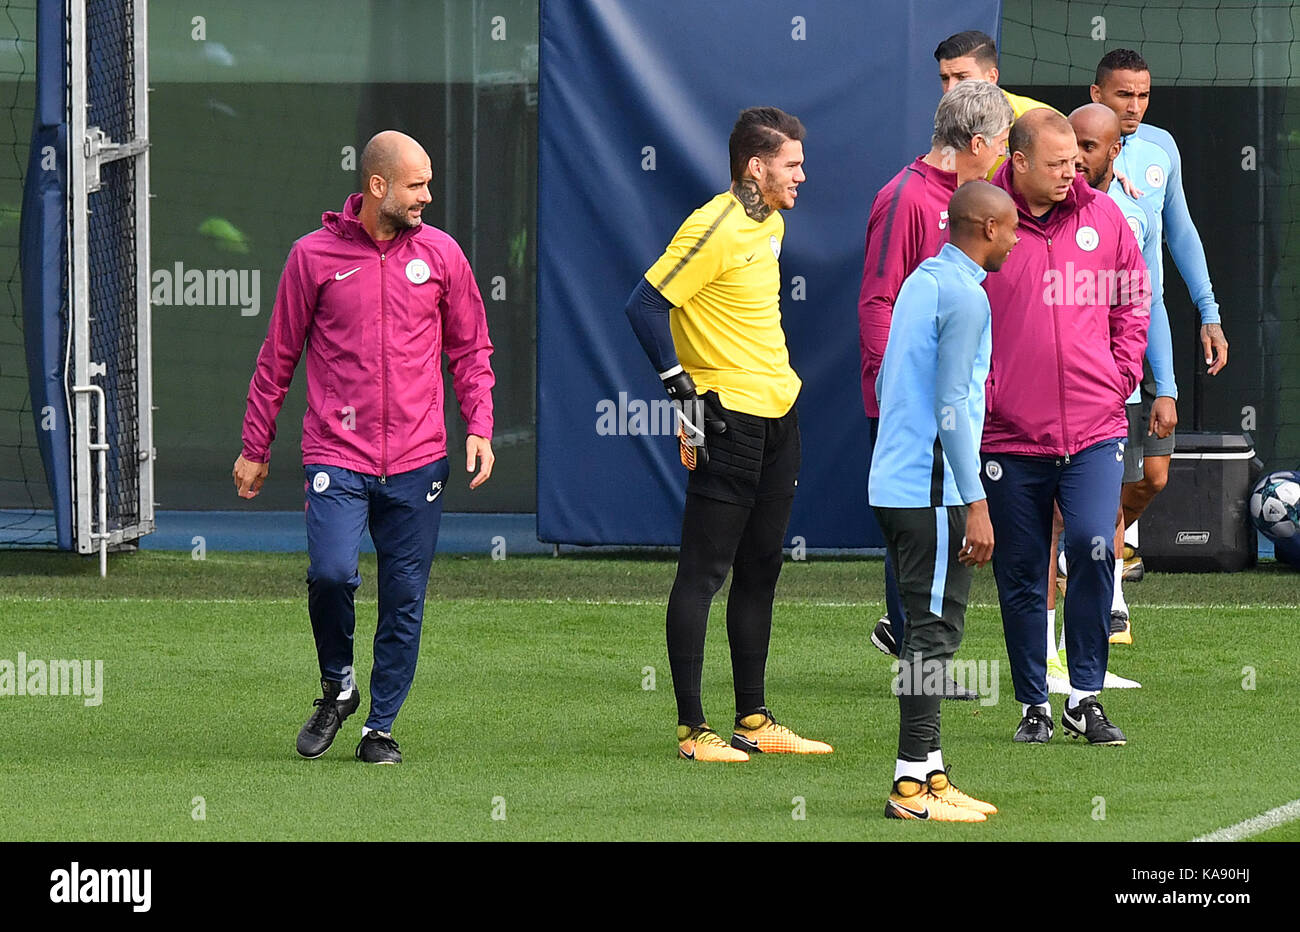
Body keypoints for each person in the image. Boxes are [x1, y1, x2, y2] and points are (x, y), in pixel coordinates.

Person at [233, 130, 496, 765]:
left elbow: (471, 348)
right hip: (336, 452)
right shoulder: (312, 257)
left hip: (419, 458)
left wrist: (480, 425)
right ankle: (337, 686)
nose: (427, 197)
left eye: (429, 184)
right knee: (330, 574)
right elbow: (279, 357)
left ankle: (379, 727)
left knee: (405, 596)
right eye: (417, 185)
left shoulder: (442, 255)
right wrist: (255, 444)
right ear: (377, 185)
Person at [623, 107, 831, 762]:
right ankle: (692, 731)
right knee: (703, 571)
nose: (804, 174)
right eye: (793, 164)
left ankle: (754, 718)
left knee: (763, 565)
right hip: (727, 417)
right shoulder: (714, 223)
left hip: (779, 414)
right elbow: (646, 304)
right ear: (756, 167)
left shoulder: (770, 220)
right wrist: (684, 397)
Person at [980, 109, 1149, 746]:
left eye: (1075, 163)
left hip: (1094, 428)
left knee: (1090, 546)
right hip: (1009, 436)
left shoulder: (1103, 218)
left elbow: (1134, 294)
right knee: (1022, 570)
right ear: (1018, 161)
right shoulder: (984, 223)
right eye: (1056, 164)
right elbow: (958, 310)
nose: (1070, 174)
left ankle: (1084, 695)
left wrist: (1122, 372)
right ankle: (1033, 704)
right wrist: (987, 394)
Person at [859, 80, 1013, 691]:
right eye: (1001, 145)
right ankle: (919, 663)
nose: (1004, 157)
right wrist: (887, 388)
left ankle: (918, 653)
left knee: (936, 539)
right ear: (977, 142)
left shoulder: (973, 203)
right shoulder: (905, 197)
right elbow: (878, 297)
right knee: (928, 526)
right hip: (914, 409)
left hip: (944, 402)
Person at [872, 180, 1018, 821]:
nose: (1016, 239)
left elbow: (887, 376)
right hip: (931, 490)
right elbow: (953, 404)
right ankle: (908, 785)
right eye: (1011, 228)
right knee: (930, 636)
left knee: (932, 629)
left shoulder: (922, 281)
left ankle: (931, 774)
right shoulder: (964, 297)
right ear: (986, 229)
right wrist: (975, 499)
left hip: (900, 482)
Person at [1091, 48, 1229, 612]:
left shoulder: (1161, 149)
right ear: (1096, 93)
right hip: (1088, 340)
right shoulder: (1071, 147)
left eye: (1144, 94)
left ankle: (1106, 542)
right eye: (1124, 94)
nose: (1135, 106)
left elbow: (1181, 234)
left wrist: (1209, 310)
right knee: (1102, 471)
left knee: (1154, 474)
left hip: (1149, 328)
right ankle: (1109, 592)